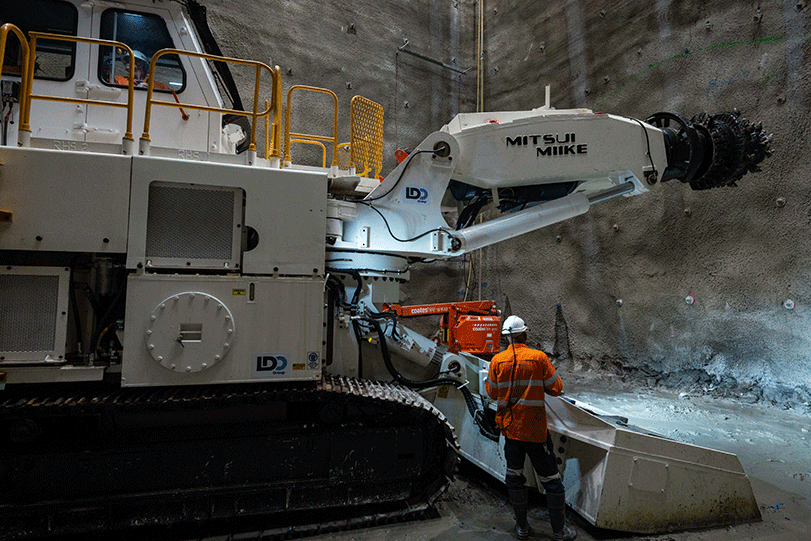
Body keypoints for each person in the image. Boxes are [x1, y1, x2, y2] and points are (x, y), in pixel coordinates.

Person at [485, 315, 577, 541]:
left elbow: (492, 393)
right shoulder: (538, 358)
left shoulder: (497, 361)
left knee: (514, 477)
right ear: (524, 334)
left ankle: (522, 528)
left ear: (506, 338)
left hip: (510, 431)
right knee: (552, 481)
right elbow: (556, 388)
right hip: (535, 432)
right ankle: (559, 532)